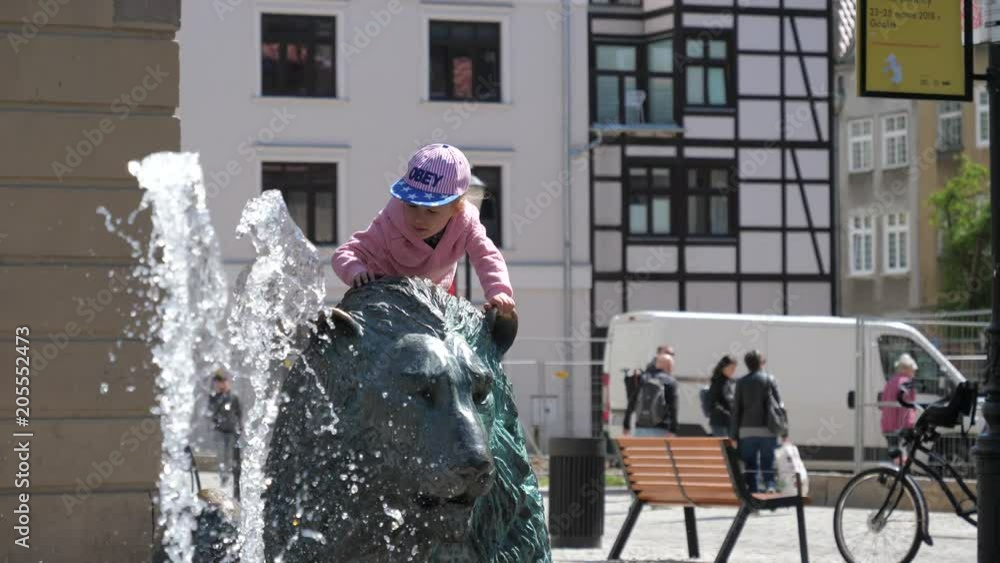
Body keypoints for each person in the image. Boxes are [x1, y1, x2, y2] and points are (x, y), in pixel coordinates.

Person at [332, 144, 515, 315]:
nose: (419, 218)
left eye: (431, 211)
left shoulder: (466, 223)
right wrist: (356, 271)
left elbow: (487, 256)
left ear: (456, 208)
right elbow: (345, 253)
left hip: (432, 299)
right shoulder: (389, 221)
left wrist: (498, 291)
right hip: (384, 298)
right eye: (411, 206)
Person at [731, 350, 784, 493]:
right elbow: (779, 406)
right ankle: (770, 485)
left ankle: (753, 495)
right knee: (768, 462)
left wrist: (734, 435)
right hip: (768, 429)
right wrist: (784, 431)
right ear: (761, 363)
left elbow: (736, 409)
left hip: (746, 431)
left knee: (750, 465)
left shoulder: (741, 382)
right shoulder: (769, 379)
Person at [626, 353, 678, 437]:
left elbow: (632, 401)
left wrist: (626, 424)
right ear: (668, 366)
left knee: (640, 449)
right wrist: (673, 429)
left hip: (640, 426)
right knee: (658, 450)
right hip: (661, 428)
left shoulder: (644, 378)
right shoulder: (669, 381)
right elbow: (673, 407)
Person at [880, 353, 919, 464]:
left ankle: (892, 474)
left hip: (887, 424)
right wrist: (911, 425)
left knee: (893, 455)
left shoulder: (890, 381)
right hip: (904, 424)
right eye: (912, 369)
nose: (914, 372)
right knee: (909, 453)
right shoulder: (909, 383)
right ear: (908, 369)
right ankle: (906, 474)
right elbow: (910, 406)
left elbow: (883, 403)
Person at [207, 370, 242, 489]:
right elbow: (211, 411)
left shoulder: (233, 397)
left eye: (222, 382)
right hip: (220, 431)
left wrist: (239, 428)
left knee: (229, 455)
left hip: (232, 431)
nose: (220, 385)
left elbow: (238, 413)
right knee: (221, 455)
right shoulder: (214, 397)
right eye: (218, 382)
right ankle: (223, 477)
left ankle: (227, 476)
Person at [707, 354, 738, 437]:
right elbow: (714, 403)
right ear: (724, 367)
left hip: (728, 421)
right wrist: (727, 413)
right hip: (719, 422)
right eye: (731, 368)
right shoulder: (718, 382)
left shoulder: (727, 381)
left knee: (728, 448)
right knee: (724, 447)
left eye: (734, 368)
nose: (733, 371)